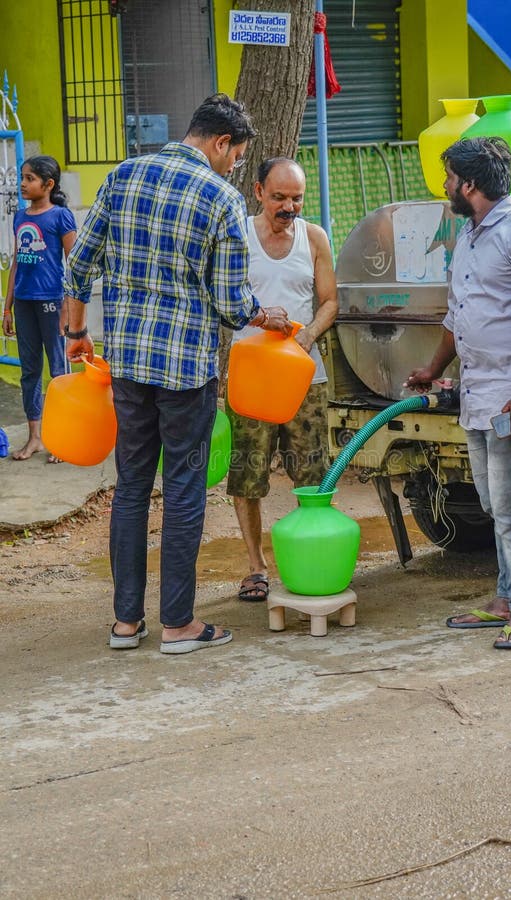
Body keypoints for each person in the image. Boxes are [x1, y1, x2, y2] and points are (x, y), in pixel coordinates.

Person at [63, 94, 292, 654]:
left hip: (129, 366)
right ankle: (179, 625)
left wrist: (75, 333)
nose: (235, 165)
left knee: (132, 487)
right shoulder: (219, 197)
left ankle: (124, 624)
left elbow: (79, 266)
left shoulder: (122, 175)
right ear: (220, 143)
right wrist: (269, 316)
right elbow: (232, 303)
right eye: (236, 155)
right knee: (185, 489)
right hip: (186, 369)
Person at [405, 136, 511, 649]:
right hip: (477, 390)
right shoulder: (470, 236)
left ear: (469, 184)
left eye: (450, 177)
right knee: (495, 504)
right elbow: (459, 315)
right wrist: (432, 368)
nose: (446, 185)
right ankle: (503, 599)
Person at [226, 157, 339, 602]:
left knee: (312, 475)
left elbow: (330, 300)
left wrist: (308, 334)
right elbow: (222, 297)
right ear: (258, 192)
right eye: (279, 198)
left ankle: (308, 558)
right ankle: (256, 566)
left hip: (303, 379)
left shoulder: (314, 237)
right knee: (247, 475)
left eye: (296, 198)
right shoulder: (237, 236)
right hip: (252, 378)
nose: (288, 207)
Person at [2, 156, 76, 462]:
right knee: (29, 371)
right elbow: (17, 264)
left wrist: (68, 310)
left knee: (58, 371)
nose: (23, 183)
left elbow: (75, 266)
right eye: (22, 177)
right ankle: (36, 438)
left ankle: (62, 437)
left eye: (30, 178)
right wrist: (7, 308)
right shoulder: (20, 217)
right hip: (24, 303)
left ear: (48, 184)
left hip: (52, 302)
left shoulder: (61, 217)